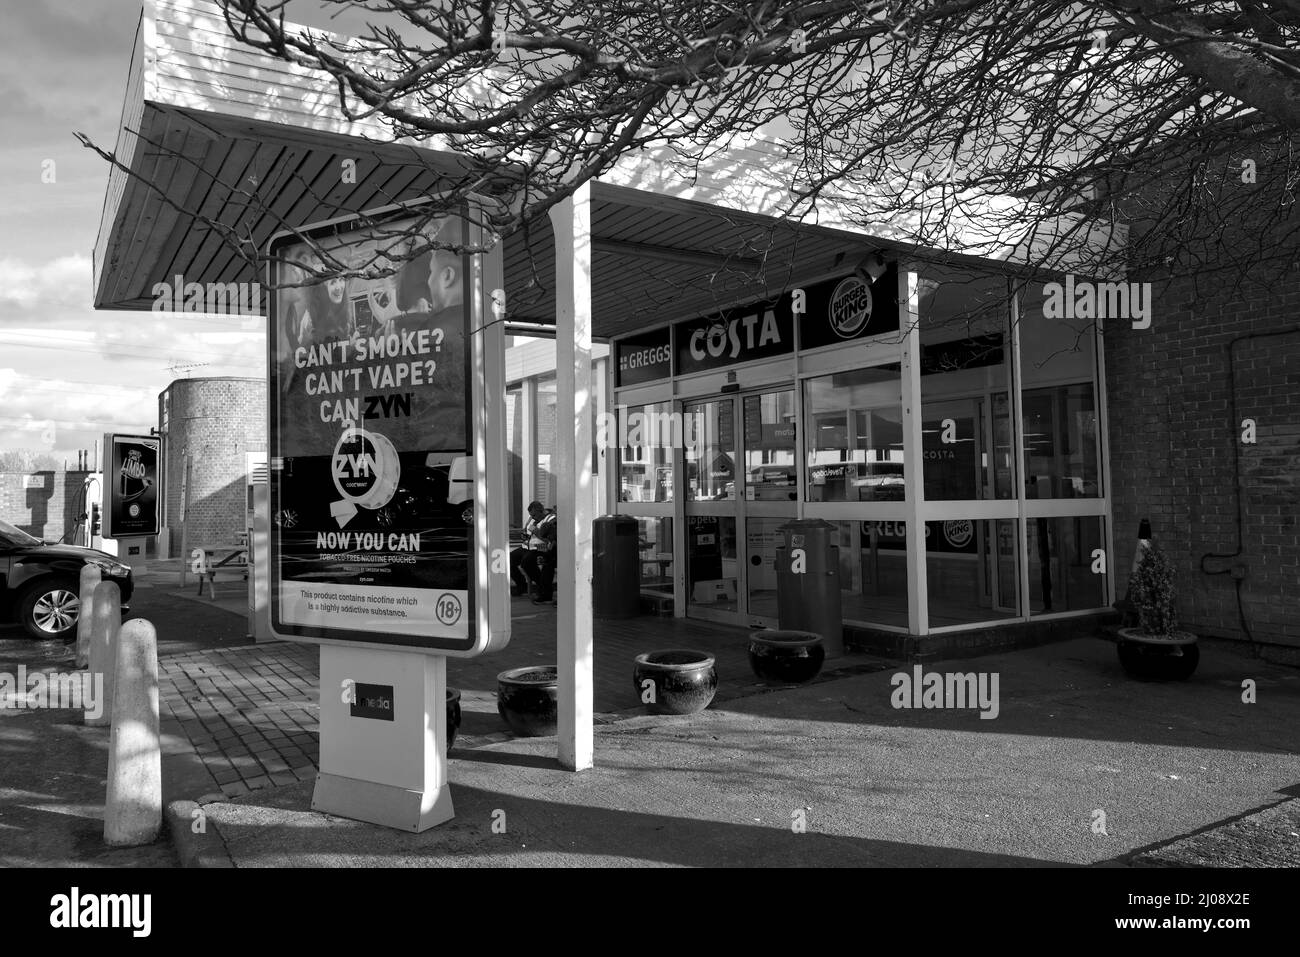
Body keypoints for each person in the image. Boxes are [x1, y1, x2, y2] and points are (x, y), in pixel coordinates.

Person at [509, 501, 547, 596]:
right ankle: (521, 585)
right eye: (531, 515)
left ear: (540, 511)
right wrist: (524, 534)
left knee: (527, 562)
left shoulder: (548, 520)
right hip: (526, 547)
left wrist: (533, 529)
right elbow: (527, 533)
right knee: (509, 559)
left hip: (539, 548)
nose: (532, 517)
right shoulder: (532, 519)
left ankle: (541, 586)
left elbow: (546, 538)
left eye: (534, 515)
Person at [530, 506, 558, 604]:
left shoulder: (552, 521)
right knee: (546, 565)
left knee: (547, 566)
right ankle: (544, 594)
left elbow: (551, 541)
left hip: (561, 553)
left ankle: (545, 595)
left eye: (534, 515)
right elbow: (551, 543)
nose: (533, 517)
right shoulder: (548, 525)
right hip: (551, 551)